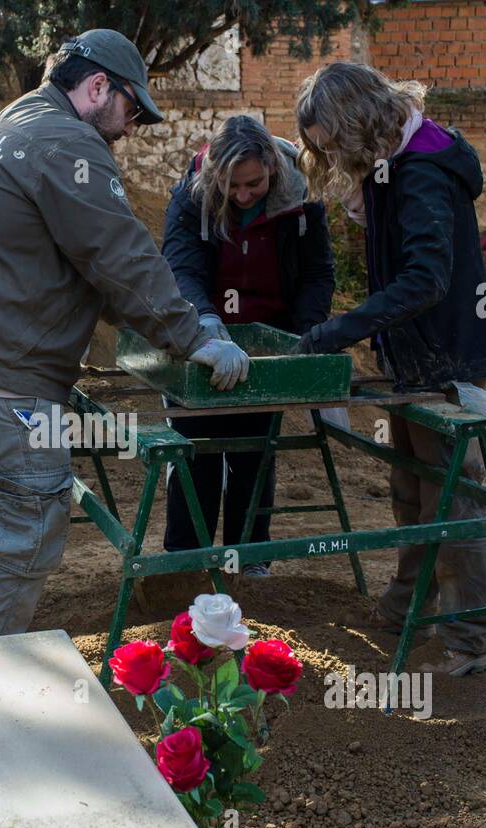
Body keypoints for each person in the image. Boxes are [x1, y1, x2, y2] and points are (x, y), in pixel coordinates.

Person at [0, 29, 250, 644]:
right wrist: (195, 336)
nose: (131, 126)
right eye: (130, 109)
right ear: (97, 87)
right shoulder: (67, 143)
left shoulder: (21, 120)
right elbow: (119, 254)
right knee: (27, 531)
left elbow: (83, 262)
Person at [294, 62, 486, 676]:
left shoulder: (419, 170)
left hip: (446, 355)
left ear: (358, 122)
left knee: (454, 502)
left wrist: (340, 329)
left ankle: (467, 639)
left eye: (334, 142)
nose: (332, 155)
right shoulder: (395, 160)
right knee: (413, 491)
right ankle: (409, 606)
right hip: (413, 356)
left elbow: (425, 278)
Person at [161, 115, 336, 576]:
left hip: (267, 339)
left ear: (273, 171)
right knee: (193, 451)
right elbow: (180, 269)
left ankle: (251, 560)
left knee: (254, 453)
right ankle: (186, 564)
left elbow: (317, 273)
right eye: (232, 186)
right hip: (203, 339)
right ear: (215, 175)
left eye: (253, 184)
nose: (242, 195)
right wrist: (206, 325)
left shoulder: (301, 199)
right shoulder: (190, 196)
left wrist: (304, 336)